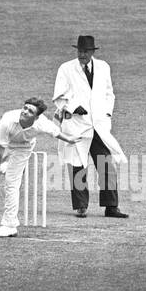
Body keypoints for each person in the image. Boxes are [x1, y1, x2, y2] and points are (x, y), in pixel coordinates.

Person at [0, 97, 80, 237]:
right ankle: (6, 167)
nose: (25, 112)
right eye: (24, 108)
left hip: (23, 147)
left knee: (11, 183)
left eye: (30, 111)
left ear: (37, 117)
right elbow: (1, 150)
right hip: (2, 141)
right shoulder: (7, 120)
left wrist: (70, 140)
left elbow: (56, 132)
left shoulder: (42, 123)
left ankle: (9, 225)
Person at [52, 34, 128, 218]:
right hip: (77, 125)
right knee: (78, 165)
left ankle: (111, 207)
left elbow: (109, 93)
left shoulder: (103, 67)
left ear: (92, 52)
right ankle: (81, 206)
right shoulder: (66, 69)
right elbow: (59, 97)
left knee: (106, 164)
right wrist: (72, 107)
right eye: (79, 51)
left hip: (99, 125)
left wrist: (107, 113)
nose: (82, 54)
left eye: (85, 51)